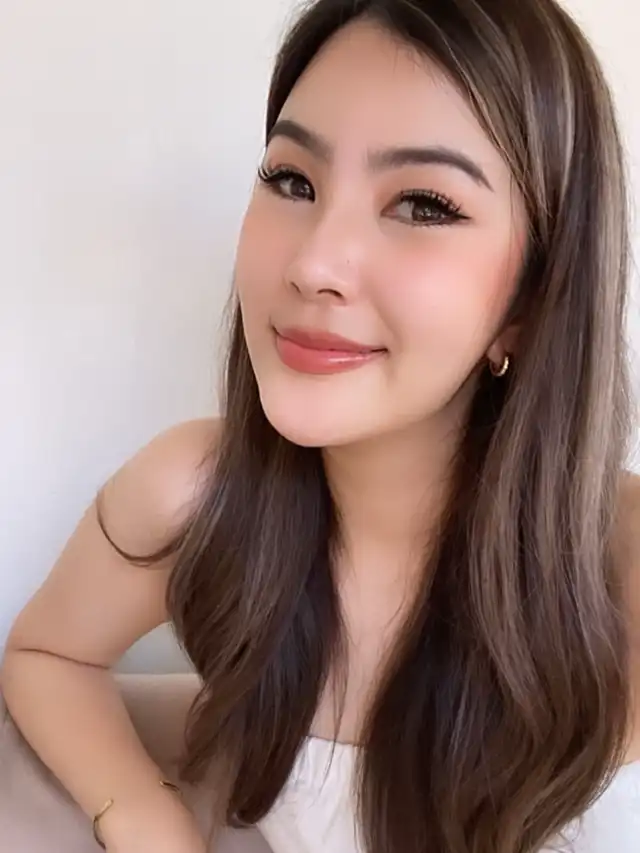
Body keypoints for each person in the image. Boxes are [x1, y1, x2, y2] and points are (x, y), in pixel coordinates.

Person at [2, 0, 639, 851]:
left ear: (531, 298)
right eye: (292, 180)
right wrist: (144, 816)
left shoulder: (621, 568)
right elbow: (48, 657)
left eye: (424, 204)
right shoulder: (197, 498)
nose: (312, 264)